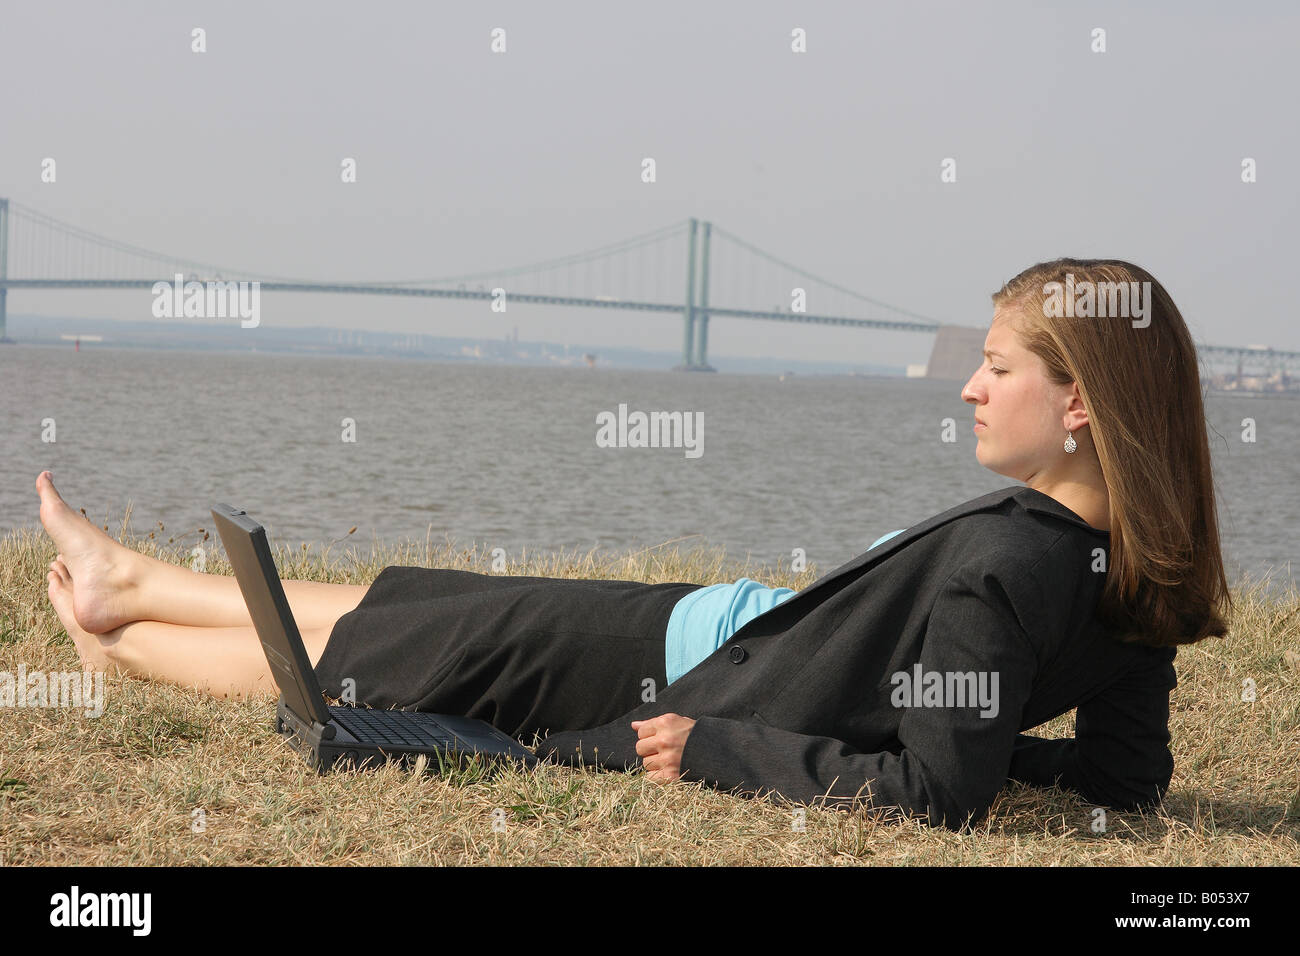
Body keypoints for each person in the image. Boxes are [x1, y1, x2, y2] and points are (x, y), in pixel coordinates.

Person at [38, 257, 1232, 830]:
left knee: (380, 661)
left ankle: (124, 639)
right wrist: (983, 738)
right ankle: (133, 584)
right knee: (415, 601)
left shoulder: (1004, 560)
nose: (968, 387)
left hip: (683, 671)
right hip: (718, 624)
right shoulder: (1126, 563)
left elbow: (935, 794)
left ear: (1080, 404)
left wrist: (720, 748)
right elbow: (1121, 779)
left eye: (998, 365)